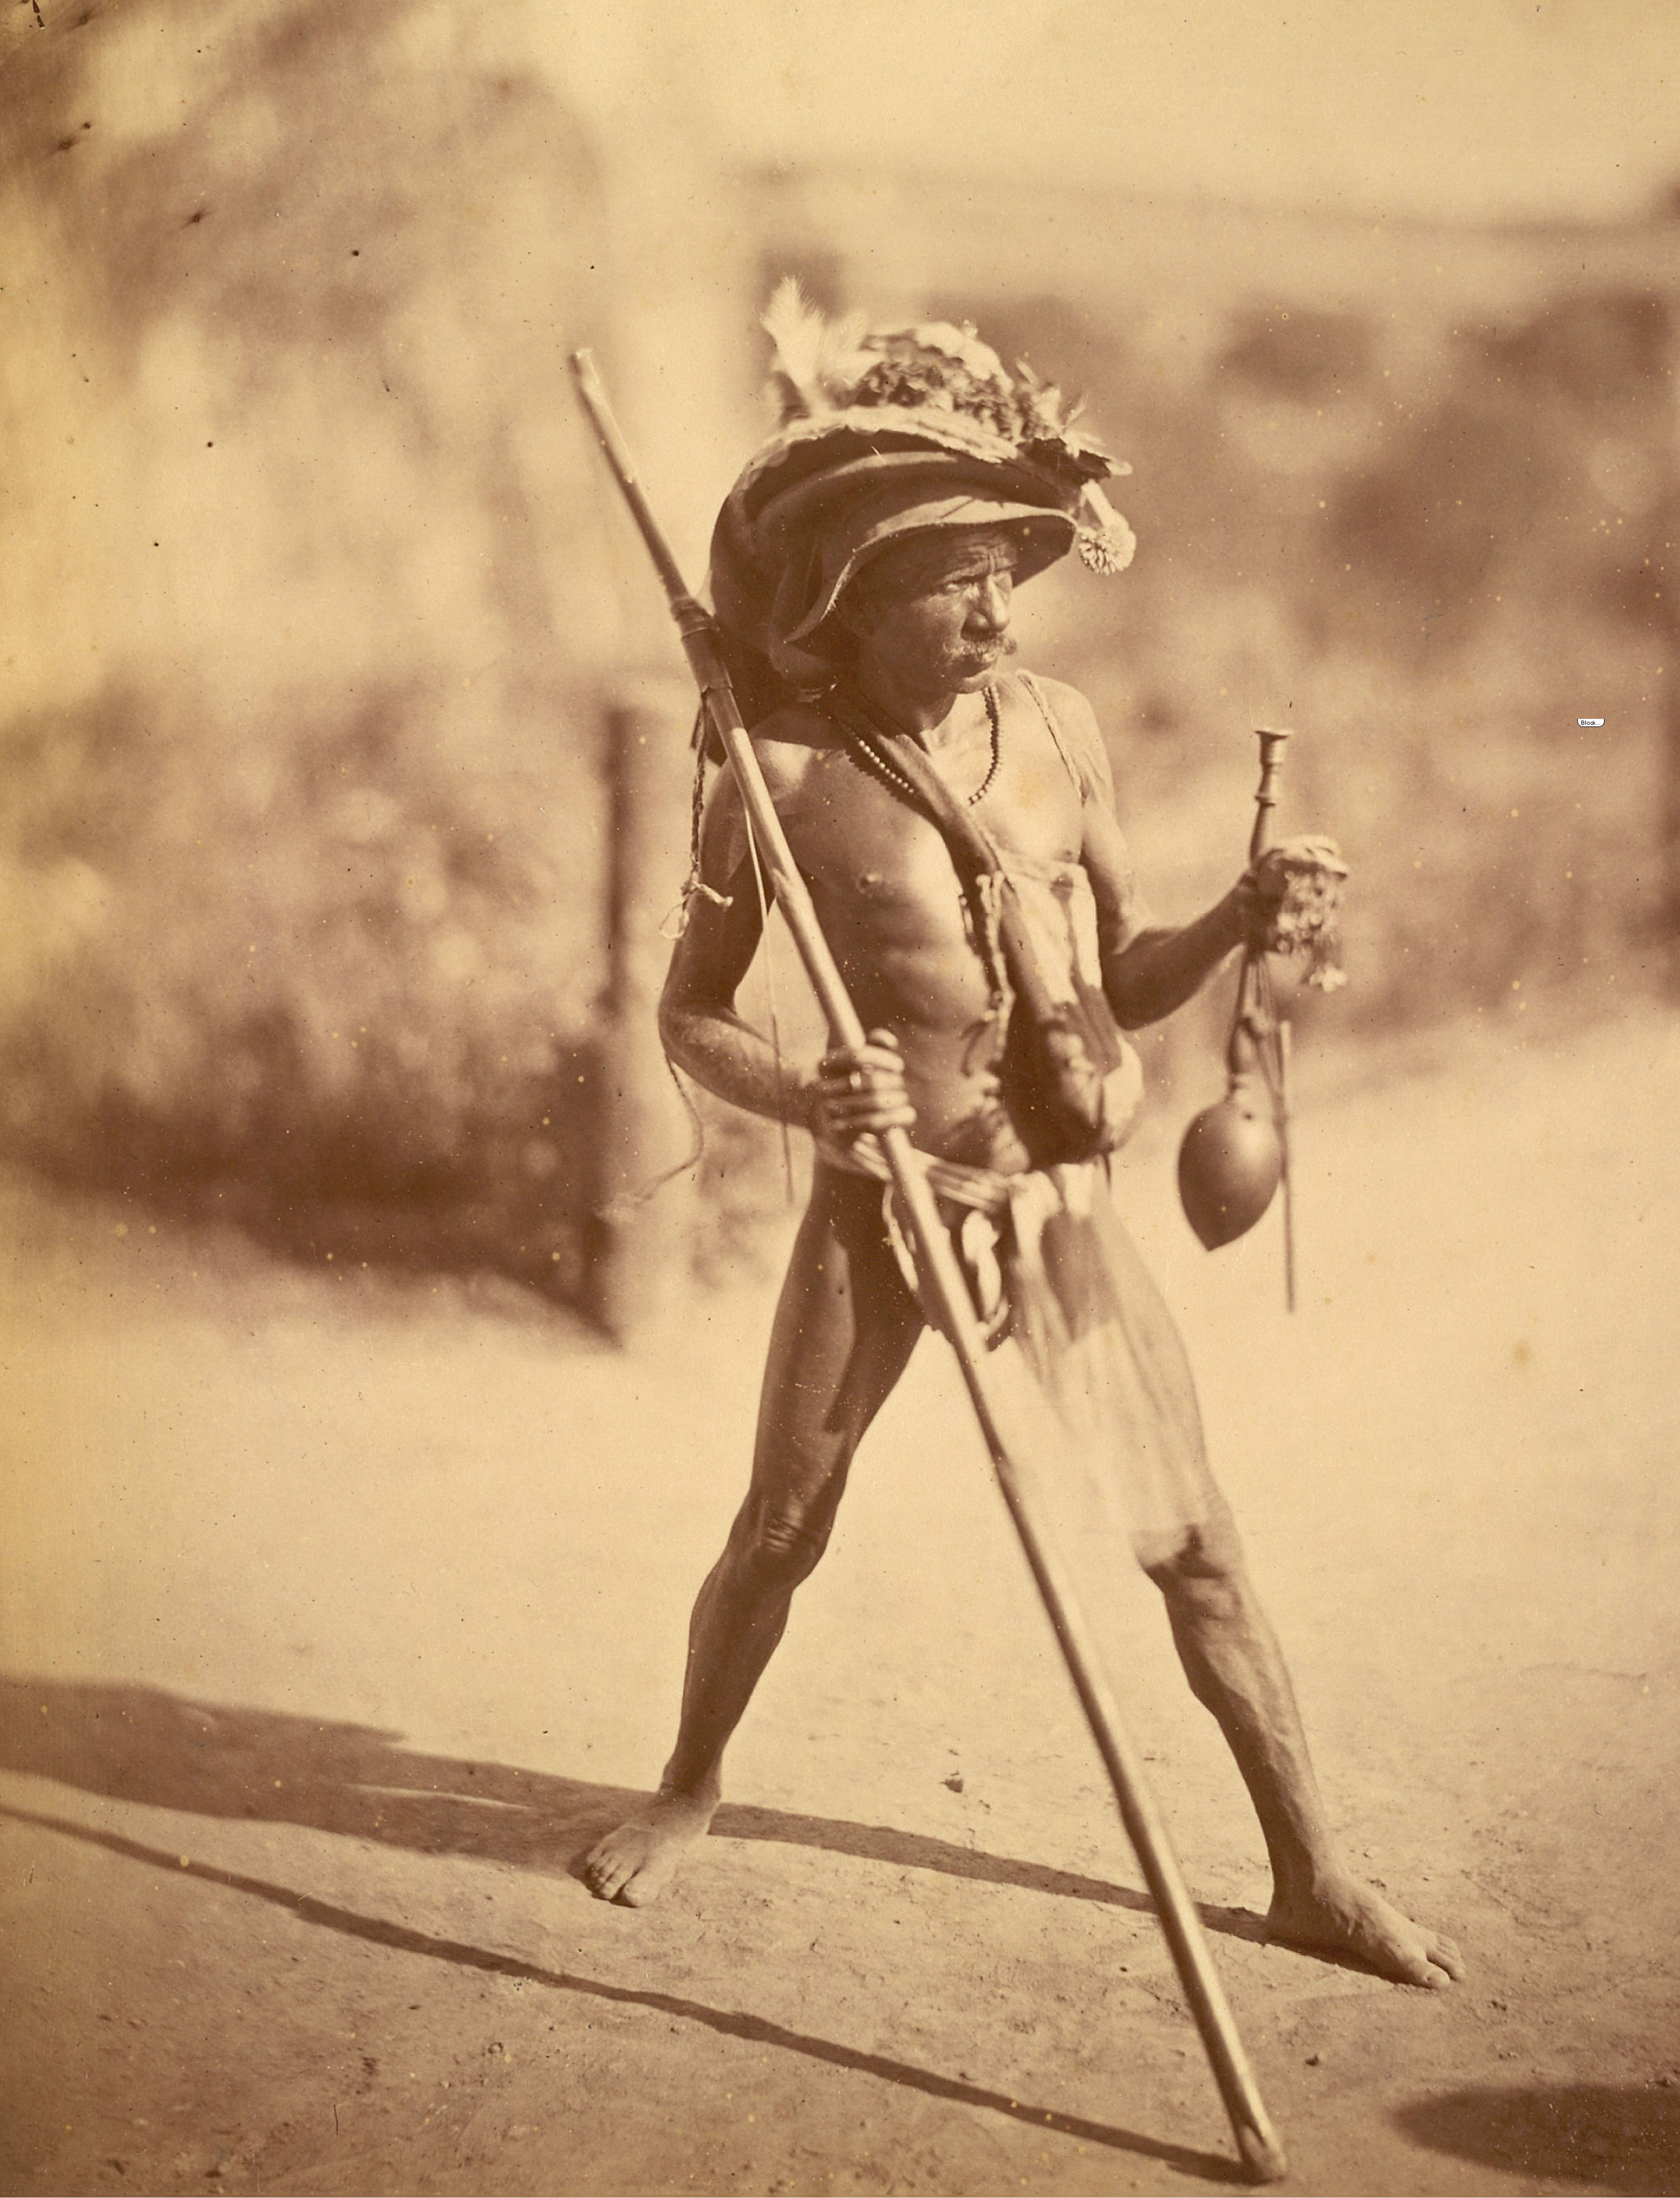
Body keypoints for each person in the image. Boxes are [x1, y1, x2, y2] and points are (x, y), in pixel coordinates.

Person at [584, 294, 1463, 1989]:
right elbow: (684, 1014)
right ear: (858, 596)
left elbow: (1120, 982)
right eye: (955, 574)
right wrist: (796, 1095)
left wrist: (1233, 914)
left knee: (1187, 1533)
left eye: (1008, 567)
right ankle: (688, 1783)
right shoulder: (768, 774)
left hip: (1052, 1199)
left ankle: (1311, 1870)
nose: (995, 602)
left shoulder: (1059, 737)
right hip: (879, 1196)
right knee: (782, 1520)